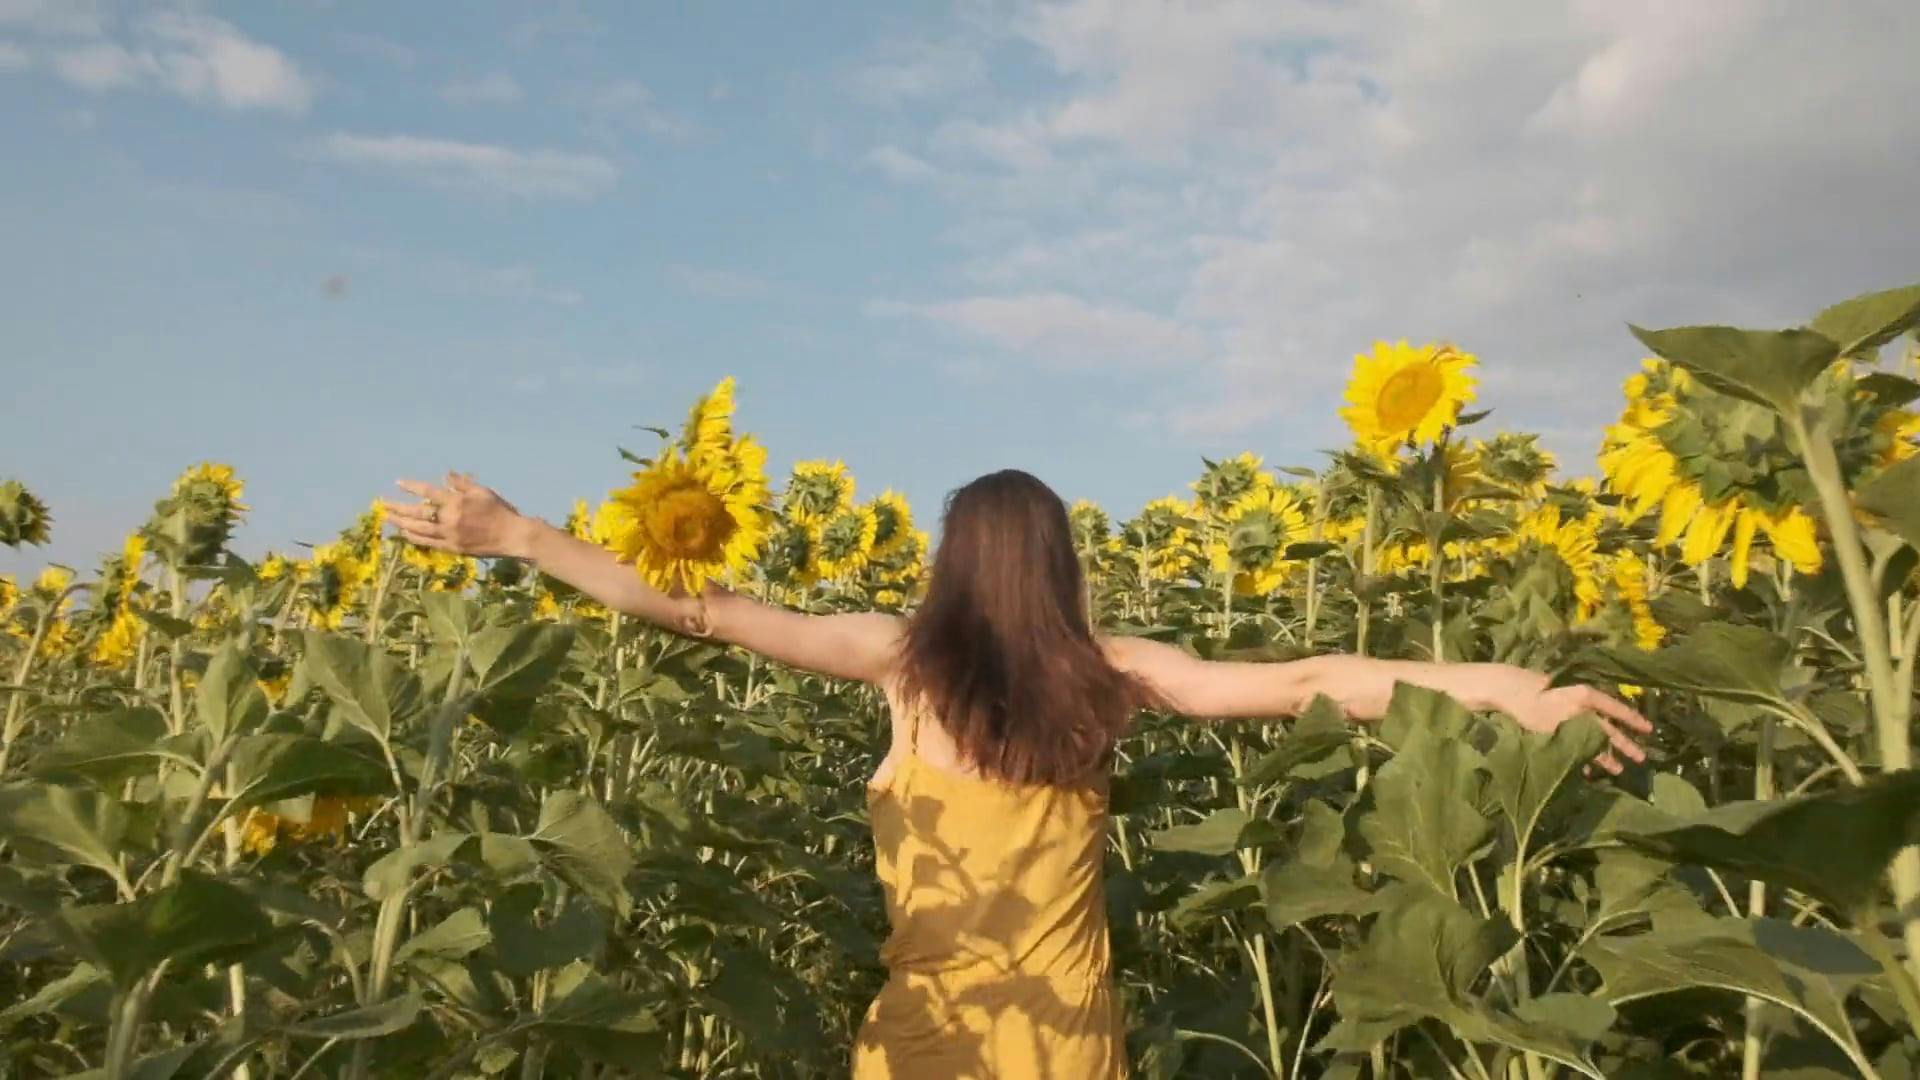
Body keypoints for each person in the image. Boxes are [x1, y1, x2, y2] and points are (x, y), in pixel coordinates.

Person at [383, 467, 1651, 1080]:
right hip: (1066, 1045)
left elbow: (698, 612)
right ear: (1060, 567)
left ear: (951, 564)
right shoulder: (1107, 673)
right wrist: (1507, 686)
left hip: (927, 1044)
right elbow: (1311, 677)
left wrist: (520, 535)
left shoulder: (899, 664)